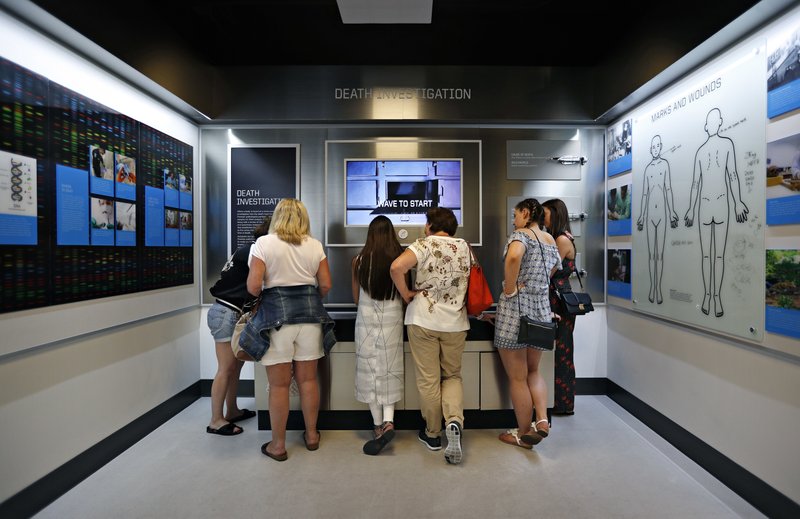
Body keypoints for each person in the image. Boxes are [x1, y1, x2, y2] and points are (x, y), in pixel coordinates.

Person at [246, 199, 333, 462]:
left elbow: (253, 286)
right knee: (308, 380)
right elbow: (326, 284)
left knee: (279, 385)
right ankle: (312, 435)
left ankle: (278, 445)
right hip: (309, 318)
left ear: (277, 217)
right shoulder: (314, 244)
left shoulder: (264, 244)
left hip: (276, 319)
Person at [390, 207, 471, 465]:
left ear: (430, 225)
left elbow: (396, 267)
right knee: (452, 375)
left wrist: (406, 293)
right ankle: (455, 421)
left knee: (429, 379)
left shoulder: (424, 244)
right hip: (456, 323)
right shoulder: (464, 247)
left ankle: (433, 434)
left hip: (424, 319)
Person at [494, 199, 560, 449]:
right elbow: (554, 268)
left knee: (518, 377)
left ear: (525, 213)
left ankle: (523, 435)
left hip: (516, 312)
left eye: (515, 215)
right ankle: (542, 420)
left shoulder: (520, 235)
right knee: (534, 371)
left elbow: (513, 258)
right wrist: (538, 285)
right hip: (541, 310)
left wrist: (510, 290)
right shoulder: (549, 239)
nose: (513, 220)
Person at [205, 216, 271, 436]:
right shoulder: (255, 252)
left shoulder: (246, 249)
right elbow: (257, 284)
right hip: (227, 312)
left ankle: (231, 410)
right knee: (225, 368)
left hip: (228, 311)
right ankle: (216, 420)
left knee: (236, 367)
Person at [684, 108, 749, 317]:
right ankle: (707, 294)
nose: (712, 124)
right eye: (709, 122)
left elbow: (733, 176)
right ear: (707, 126)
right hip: (704, 206)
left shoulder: (727, 144)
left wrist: (738, 201)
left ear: (719, 122)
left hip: (722, 205)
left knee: (719, 255)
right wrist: (691, 209)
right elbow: (695, 183)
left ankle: (717, 297)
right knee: (706, 255)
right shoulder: (701, 151)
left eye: (715, 121)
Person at [351, 216, 405, 455]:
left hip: (365, 320)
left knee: (369, 369)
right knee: (389, 367)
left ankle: (376, 426)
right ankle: (389, 420)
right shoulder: (400, 260)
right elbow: (404, 294)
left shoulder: (358, 260)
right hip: (392, 319)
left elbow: (355, 298)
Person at [543, 198, 578, 416]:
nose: (542, 219)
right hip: (558, 300)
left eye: (545, 214)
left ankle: (562, 403)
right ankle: (556, 400)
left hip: (559, 304)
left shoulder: (561, 240)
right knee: (558, 351)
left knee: (561, 353)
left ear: (555, 215)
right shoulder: (562, 237)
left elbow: (548, 271)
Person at [637, 134, 679, 304]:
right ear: (651, 149)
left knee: (659, 254)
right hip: (649, 217)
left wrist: (672, 212)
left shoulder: (665, 165)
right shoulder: (647, 169)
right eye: (652, 147)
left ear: (661, 147)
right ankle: (652, 287)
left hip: (662, 213)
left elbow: (668, 189)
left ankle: (658, 288)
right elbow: (644, 194)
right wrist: (641, 215)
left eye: (657, 146)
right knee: (651, 255)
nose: (655, 149)